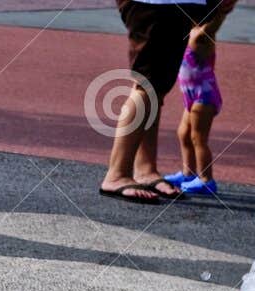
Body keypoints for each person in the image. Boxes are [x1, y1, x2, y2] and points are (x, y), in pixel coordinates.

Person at [100, 0, 236, 205]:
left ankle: (145, 169)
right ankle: (118, 173)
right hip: (159, 5)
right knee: (147, 86)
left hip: (169, 5)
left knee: (155, 87)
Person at [167, 15, 226, 195]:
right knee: (183, 133)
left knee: (198, 138)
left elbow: (215, 23)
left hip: (204, 96)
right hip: (191, 97)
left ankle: (206, 180)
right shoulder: (187, 31)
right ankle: (188, 173)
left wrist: (223, 9)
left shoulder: (203, 34)